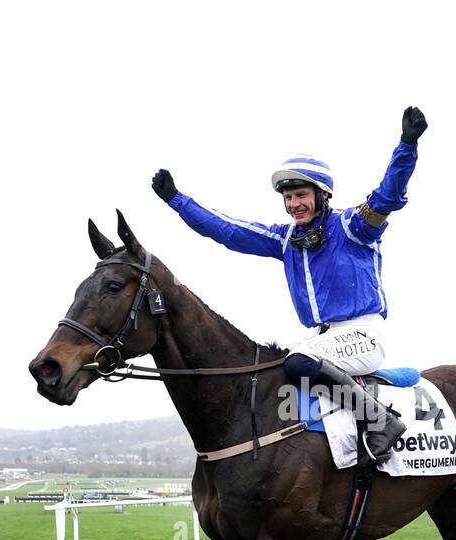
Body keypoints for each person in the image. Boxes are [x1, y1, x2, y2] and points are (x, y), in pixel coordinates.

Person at [152, 106, 428, 463]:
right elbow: (228, 231)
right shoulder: (285, 240)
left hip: (363, 335)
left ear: (323, 194)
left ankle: (381, 420)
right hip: (324, 337)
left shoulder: (352, 227)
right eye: (288, 198)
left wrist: (407, 145)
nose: (294, 204)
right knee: (275, 366)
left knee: (298, 360)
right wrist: (178, 201)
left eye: (301, 195)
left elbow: (388, 197)